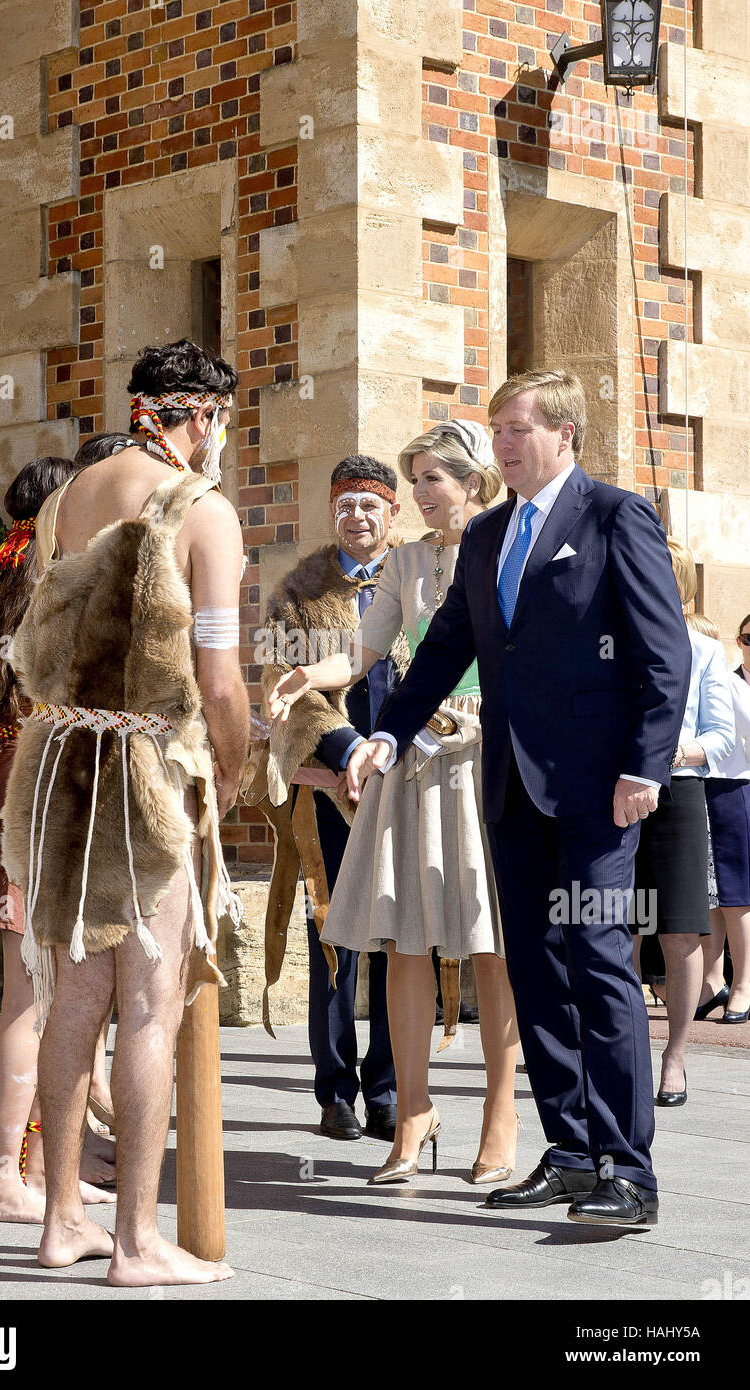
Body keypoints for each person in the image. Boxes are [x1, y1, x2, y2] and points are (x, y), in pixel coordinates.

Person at [342, 368, 692, 1228]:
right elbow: (444, 647)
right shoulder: (490, 531)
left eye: (516, 428)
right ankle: (571, 1154)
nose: (501, 443)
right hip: (509, 790)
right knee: (535, 969)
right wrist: (388, 730)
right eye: (495, 429)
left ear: (563, 434)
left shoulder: (615, 515)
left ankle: (630, 1172)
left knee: (599, 964)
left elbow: (663, 653)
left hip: (599, 791)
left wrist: (645, 767)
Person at [0, 339, 249, 1286]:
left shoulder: (69, 497)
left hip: (55, 760)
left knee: (72, 997)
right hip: (143, 766)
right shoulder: (202, 509)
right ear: (203, 417)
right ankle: (139, 1243)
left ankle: (63, 1219)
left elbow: (37, 639)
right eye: (222, 421)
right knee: (148, 1007)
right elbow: (220, 680)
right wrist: (231, 767)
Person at [269, 423, 521, 1185]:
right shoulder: (404, 564)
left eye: (431, 479)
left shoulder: (513, 548)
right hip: (410, 759)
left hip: (487, 759)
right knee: (401, 942)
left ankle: (500, 1116)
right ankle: (411, 1112)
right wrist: (307, 679)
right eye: (413, 479)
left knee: (490, 943)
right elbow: (362, 654)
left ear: (473, 483)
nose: (417, 493)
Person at [0, 456, 116, 1223]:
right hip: (28, 803)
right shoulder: (50, 589)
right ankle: (0, 1181)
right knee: (30, 1000)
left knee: (40, 996)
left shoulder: (3, 586)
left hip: (4, 795)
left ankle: (37, 1169)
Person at [256, 456, 400, 1143]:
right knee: (335, 939)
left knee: (406, 940)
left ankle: (392, 1087)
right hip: (331, 789)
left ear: (391, 512)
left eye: (370, 506)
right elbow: (288, 689)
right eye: (345, 505)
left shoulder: (421, 577)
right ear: (331, 511)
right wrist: (345, 755)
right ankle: (335, 1091)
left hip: (411, 781)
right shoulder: (298, 589)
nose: (357, 517)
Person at [630, 542, 734, 1105]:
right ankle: (619, 1054)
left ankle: (675, 1058)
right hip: (614, 795)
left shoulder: (703, 650)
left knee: (677, 930)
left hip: (678, 795)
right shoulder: (608, 643)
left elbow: (722, 735)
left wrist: (679, 752)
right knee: (616, 928)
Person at [702, 610, 750, 1024]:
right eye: (749, 638)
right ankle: (714, 980)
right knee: (716, 893)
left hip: (739, 785)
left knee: (737, 895)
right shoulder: (730, 680)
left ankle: (743, 985)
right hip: (718, 784)